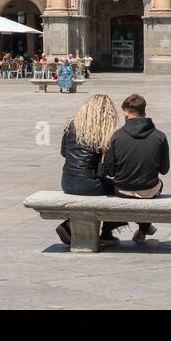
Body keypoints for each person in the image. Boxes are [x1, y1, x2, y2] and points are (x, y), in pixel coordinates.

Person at [55, 93, 127, 248]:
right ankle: (107, 231)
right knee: (123, 190)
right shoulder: (102, 131)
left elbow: (63, 152)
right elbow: (108, 165)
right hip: (89, 183)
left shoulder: (71, 125)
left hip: (67, 181)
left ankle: (69, 224)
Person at [99, 94, 170, 245]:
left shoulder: (116, 136)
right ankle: (144, 227)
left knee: (121, 188)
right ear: (144, 113)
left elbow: (110, 172)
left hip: (122, 190)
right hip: (149, 190)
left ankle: (138, 227)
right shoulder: (160, 136)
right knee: (155, 185)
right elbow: (164, 169)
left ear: (126, 114)